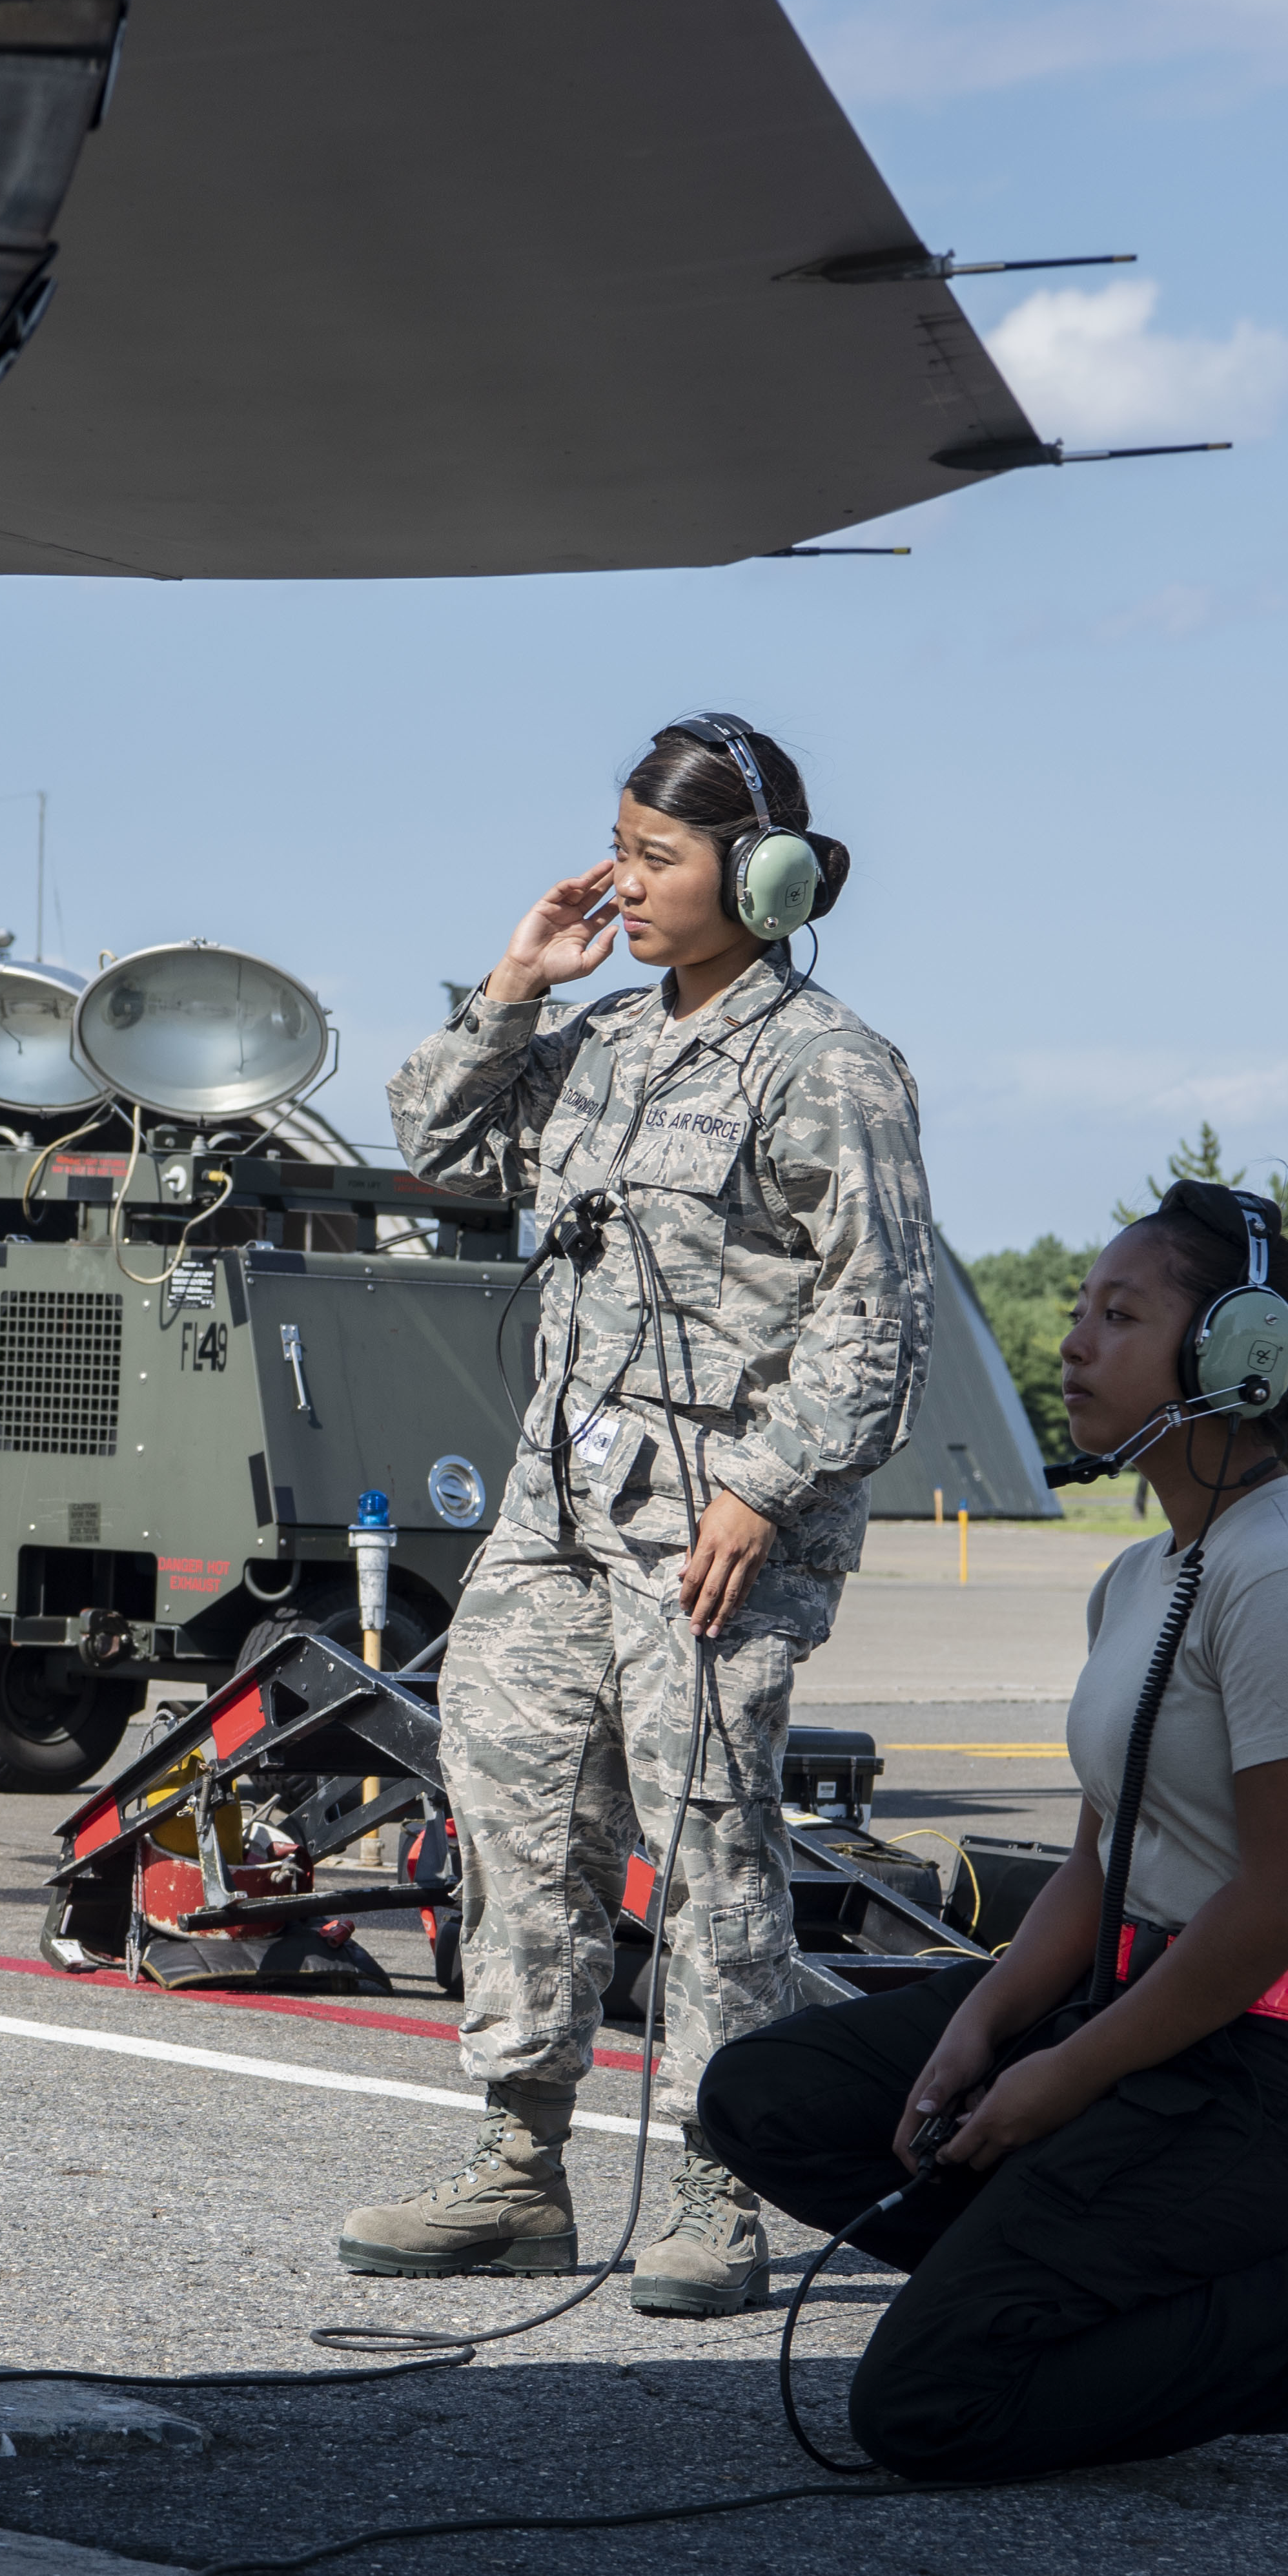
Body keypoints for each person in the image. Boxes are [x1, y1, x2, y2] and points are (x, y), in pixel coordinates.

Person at [700, 1185, 1288, 2491]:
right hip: (1131, 2015)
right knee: (760, 2096)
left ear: (1234, 1355)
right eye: (1077, 1313)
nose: (1072, 1346)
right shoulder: (1141, 1576)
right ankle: (1058, 2288)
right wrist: (980, 2026)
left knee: (928, 2406)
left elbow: (1282, 1894)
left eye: (1119, 1315)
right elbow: (1098, 1862)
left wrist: (1057, 2079)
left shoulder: (1283, 1571)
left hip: (1253, 2073)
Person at [337, 716, 932, 2316]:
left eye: (656, 856)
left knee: (707, 1855)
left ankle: (721, 2191)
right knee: (520, 1823)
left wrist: (765, 1484)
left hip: (715, 1522)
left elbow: (878, 1315)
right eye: (618, 845)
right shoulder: (601, 1041)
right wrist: (517, 980)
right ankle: (517, 2167)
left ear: (765, 875)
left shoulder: (833, 1066)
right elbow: (439, 1143)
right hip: (555, 1506)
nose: (624, 880)